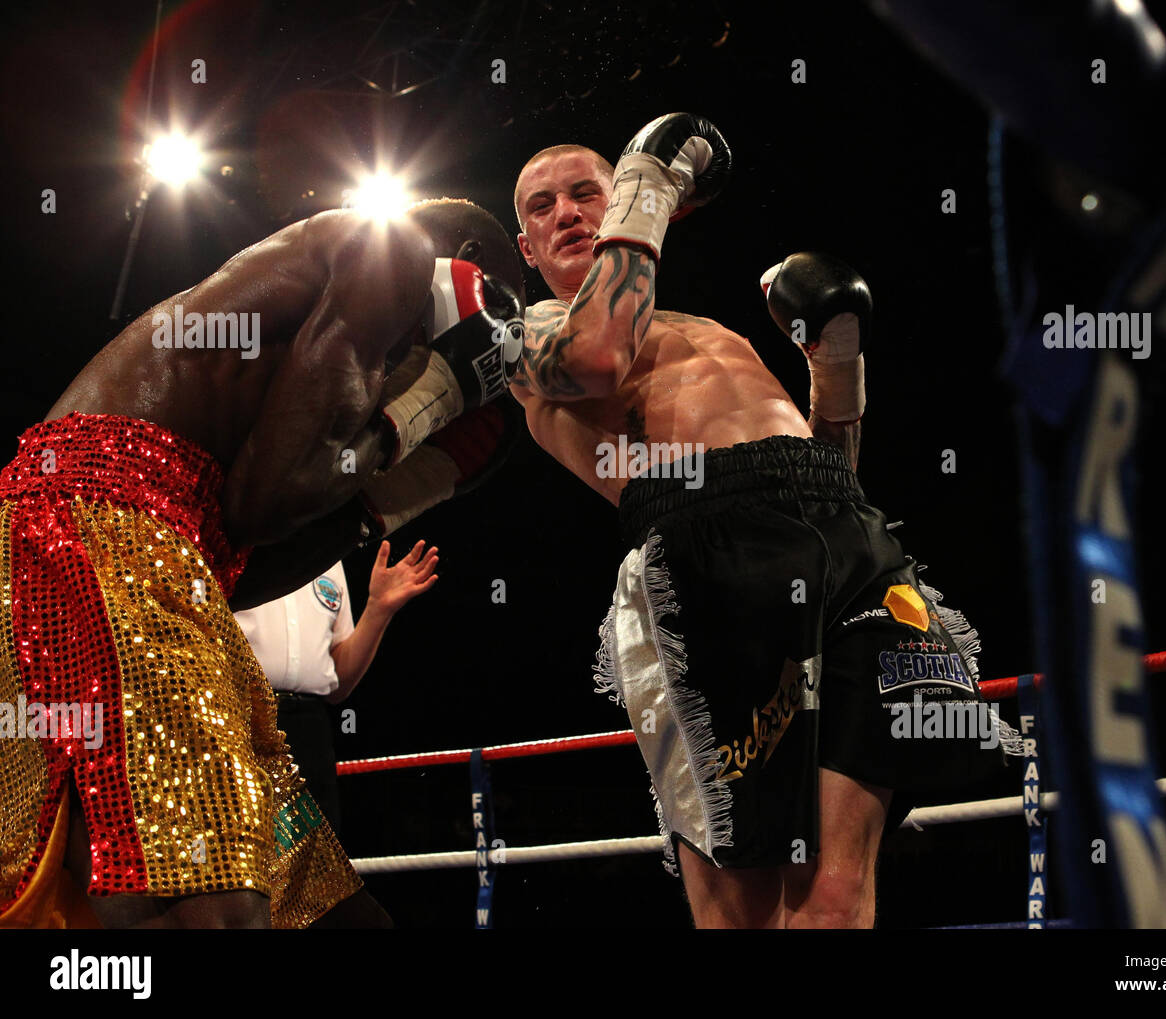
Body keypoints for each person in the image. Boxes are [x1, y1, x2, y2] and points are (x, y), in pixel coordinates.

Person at [510, 115, 1010, 928]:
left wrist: (834, 363)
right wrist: (645, 179)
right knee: (742, 909)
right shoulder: (523, 335)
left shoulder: (713, 331)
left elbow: (834, 471)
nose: (565, 211)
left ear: (617, 211)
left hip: (842, 535)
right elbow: (600, 354)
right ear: (525, 247)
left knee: (838, 890)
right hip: (700, 555)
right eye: (541, 205)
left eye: (584, 193)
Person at [0, 196, 523, 929]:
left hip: (163, 553)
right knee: (205, 896)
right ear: (467, 270)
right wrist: (432, 402)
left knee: (319, 903)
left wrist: (389, 499)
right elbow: (269, 499)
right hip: (103, 526)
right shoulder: (390, 249)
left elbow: (252, 557)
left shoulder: (305, 339)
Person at [233, 540, 439, 842]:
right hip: (240, 720)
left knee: (319, 869)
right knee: (246, 857)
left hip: (310, 732)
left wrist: (378, 609)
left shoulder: (328, 557)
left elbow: (338, 682)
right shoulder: (237, 545)